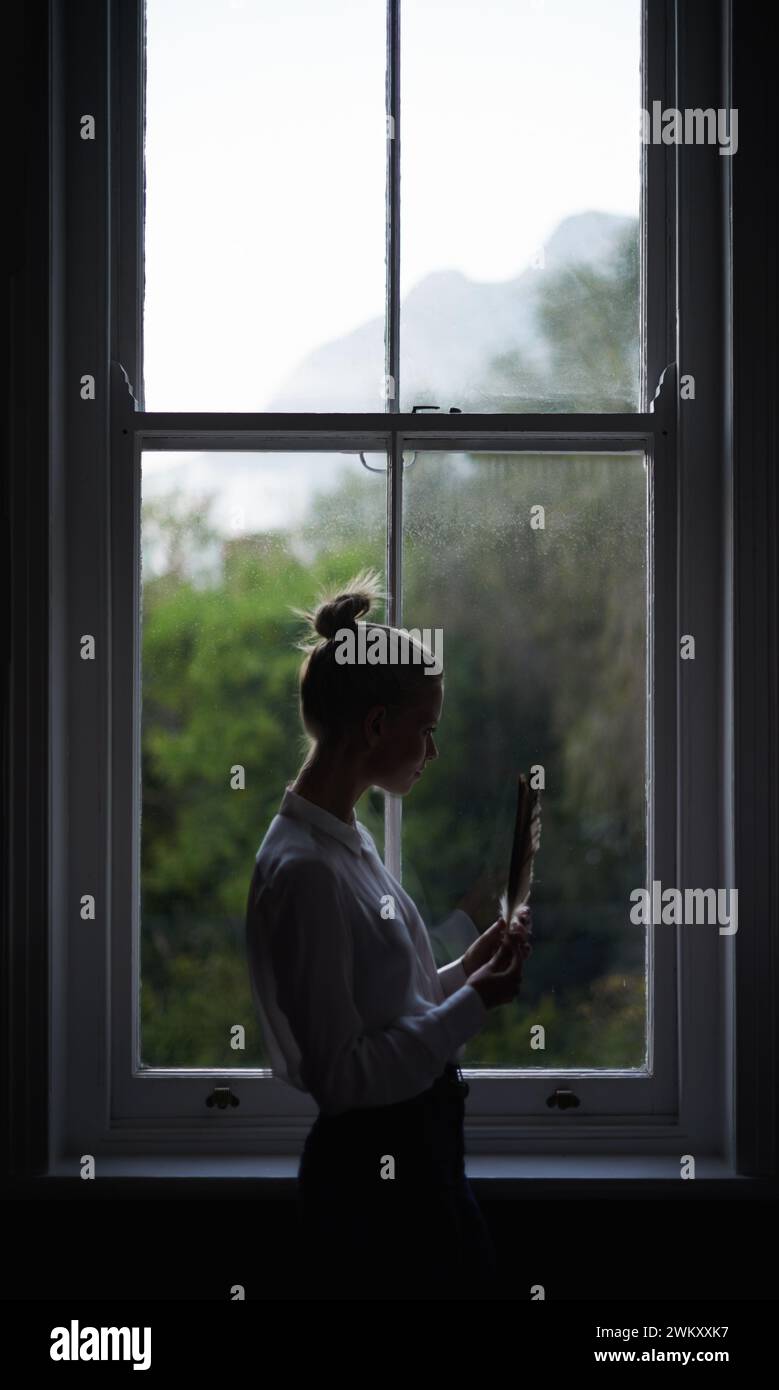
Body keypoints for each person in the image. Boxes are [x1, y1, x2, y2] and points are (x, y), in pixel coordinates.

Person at [245, 569, 532, 1301]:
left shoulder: (342, 842)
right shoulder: (307, 870)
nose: (430, 751)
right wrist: (475, 1006)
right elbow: (344, 1079)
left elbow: (391, 1013)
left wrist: (469, 969)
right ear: (376, 726)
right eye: (425, 729)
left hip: (414, 1168)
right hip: (376, 1198)